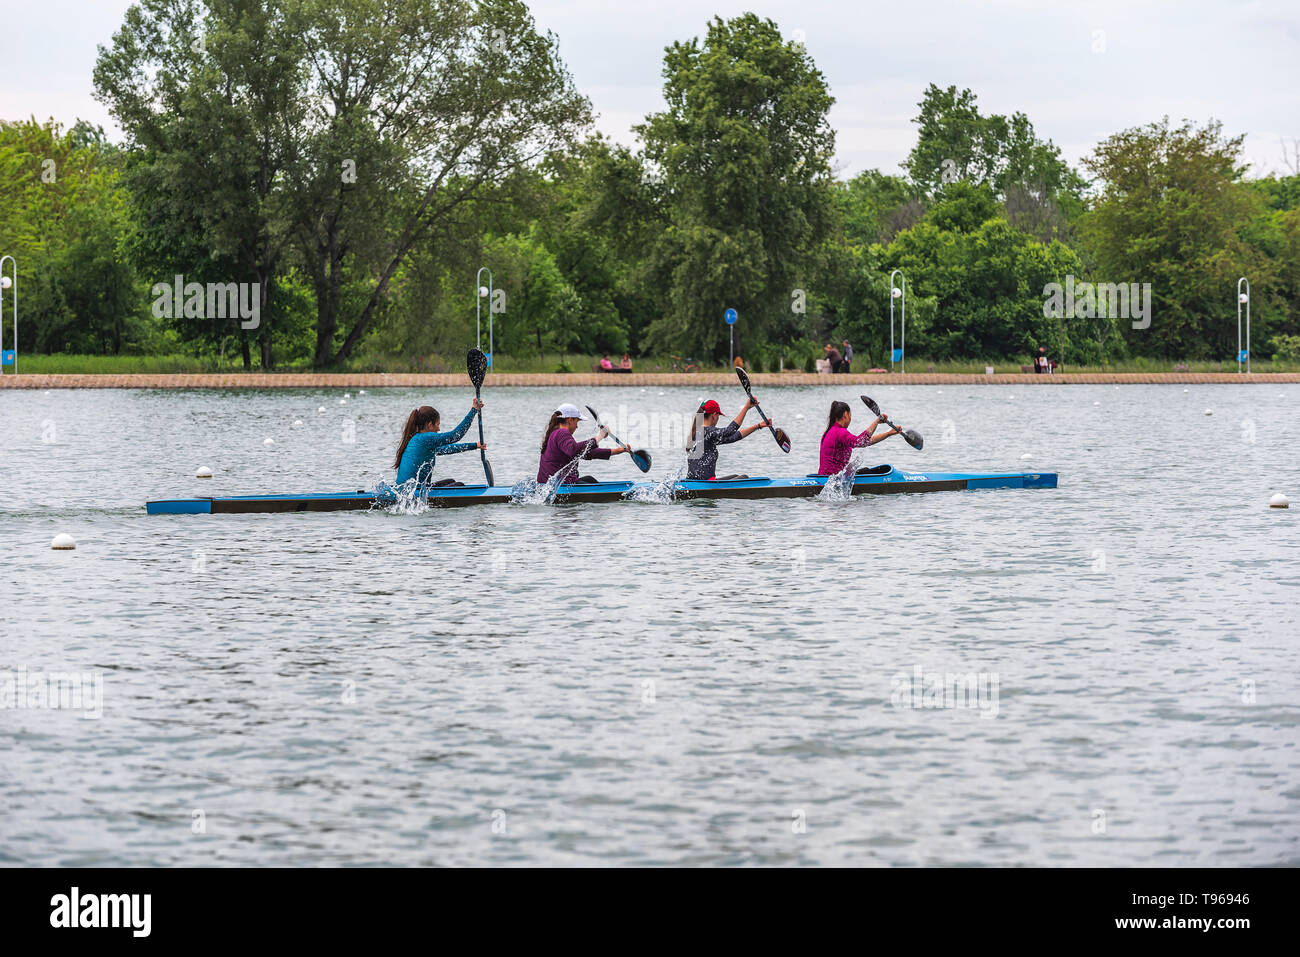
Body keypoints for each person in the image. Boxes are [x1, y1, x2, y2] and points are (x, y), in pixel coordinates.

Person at [392, 400, 484, 485]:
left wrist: (475, 445)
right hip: (411, 492)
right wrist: (474, 410)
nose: (439, 429)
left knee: (451, 482)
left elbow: (449, 449)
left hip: (411, 488)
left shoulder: (419, 440)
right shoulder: (426, 438)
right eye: (438, 424)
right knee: (459, 485)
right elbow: (455, 435)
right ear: (429, 425)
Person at [537, 403, 630, 483]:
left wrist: (618, 450)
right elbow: (574, 450)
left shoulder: (555, 434)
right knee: (590, 482)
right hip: (560, 486)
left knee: (589, 480)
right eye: (577, 422)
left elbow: (586, 453)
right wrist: (599, 437)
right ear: (570, 420)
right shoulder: (562, 433)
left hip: (549, 485)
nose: (577, 426)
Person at [686, 397, 770, 480]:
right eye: (718, 415)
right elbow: (730, 431)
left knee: (735, 476)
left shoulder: (698, 433)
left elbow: (733, 437)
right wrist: (746, 408)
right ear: (714, 415)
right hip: (706, 484)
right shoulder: (708, 431)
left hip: (693, 481)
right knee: (744, 478)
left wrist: (758, 426)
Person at [818, 400, 900, 475]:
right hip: (832, 478)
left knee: (865, 471)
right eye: (850, 415)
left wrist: (888, 433)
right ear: (845, 415)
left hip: (825, 476)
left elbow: (866, 442)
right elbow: (859, 442)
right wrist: (876, 422)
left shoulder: (830, 431)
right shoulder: (840, 432)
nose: (850, 419)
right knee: (867, 472)